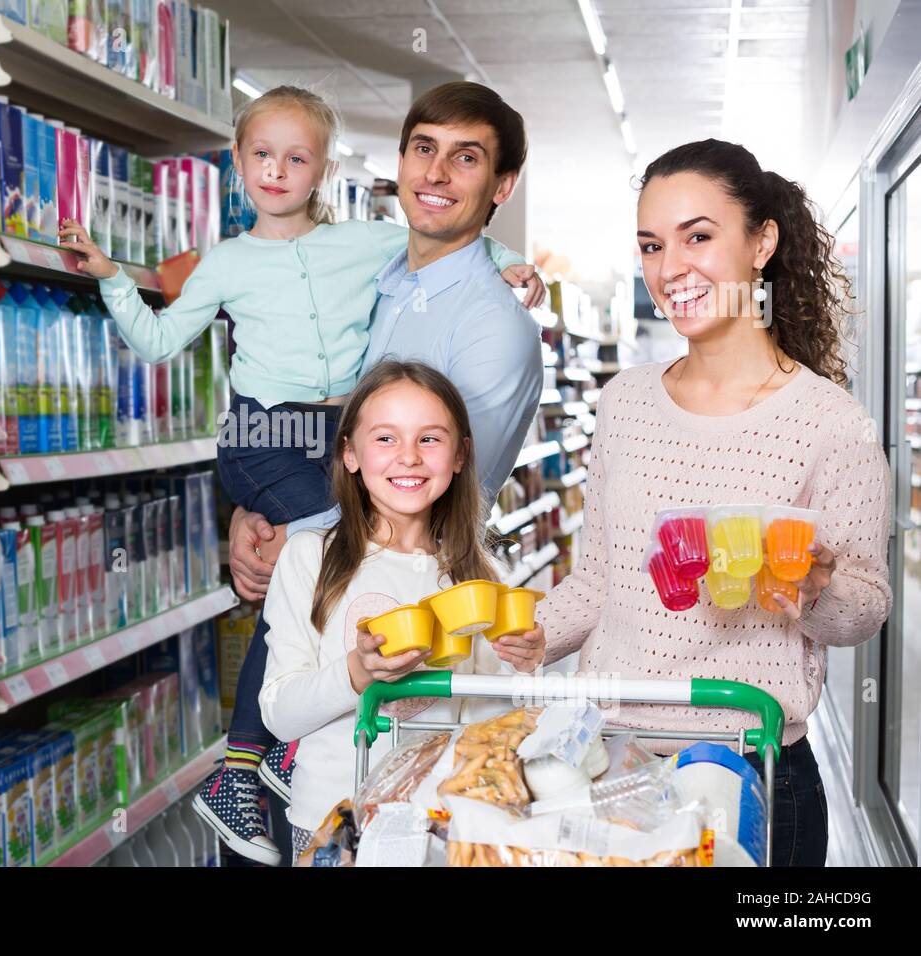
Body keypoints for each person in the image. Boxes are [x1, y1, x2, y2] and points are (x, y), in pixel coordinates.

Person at [66, 82, 546, 864]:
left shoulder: (481, 316)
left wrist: (293, 537)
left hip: (384, 689)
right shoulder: (387, 273)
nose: (437, 172)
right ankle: (247, 771)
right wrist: (252, 514)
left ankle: (244, 767)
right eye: (424, 149)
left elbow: (436, 501)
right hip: (280, 477)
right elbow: (189, 359)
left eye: (467, 158)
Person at [521, 139, 892, 867]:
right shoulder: (623, 402)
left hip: (754, 772)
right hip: (609, 767)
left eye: (698, 236)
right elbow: (601, 581)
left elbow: (866, 608)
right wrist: (525, 639)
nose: (670, 269)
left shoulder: (830, 422)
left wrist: (815, 583)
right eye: (652, 245)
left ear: (762, 242)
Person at [258, 360, 545, 858]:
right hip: (333, 820)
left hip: (439, 825)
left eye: (430, 439)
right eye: (386, 439)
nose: (408, 457)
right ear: (350, 453)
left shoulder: (476, 581)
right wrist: (357, 671)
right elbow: (280, 716)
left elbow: (488, 721)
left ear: (460, 456)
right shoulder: (310, 558)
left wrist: (521, 664)